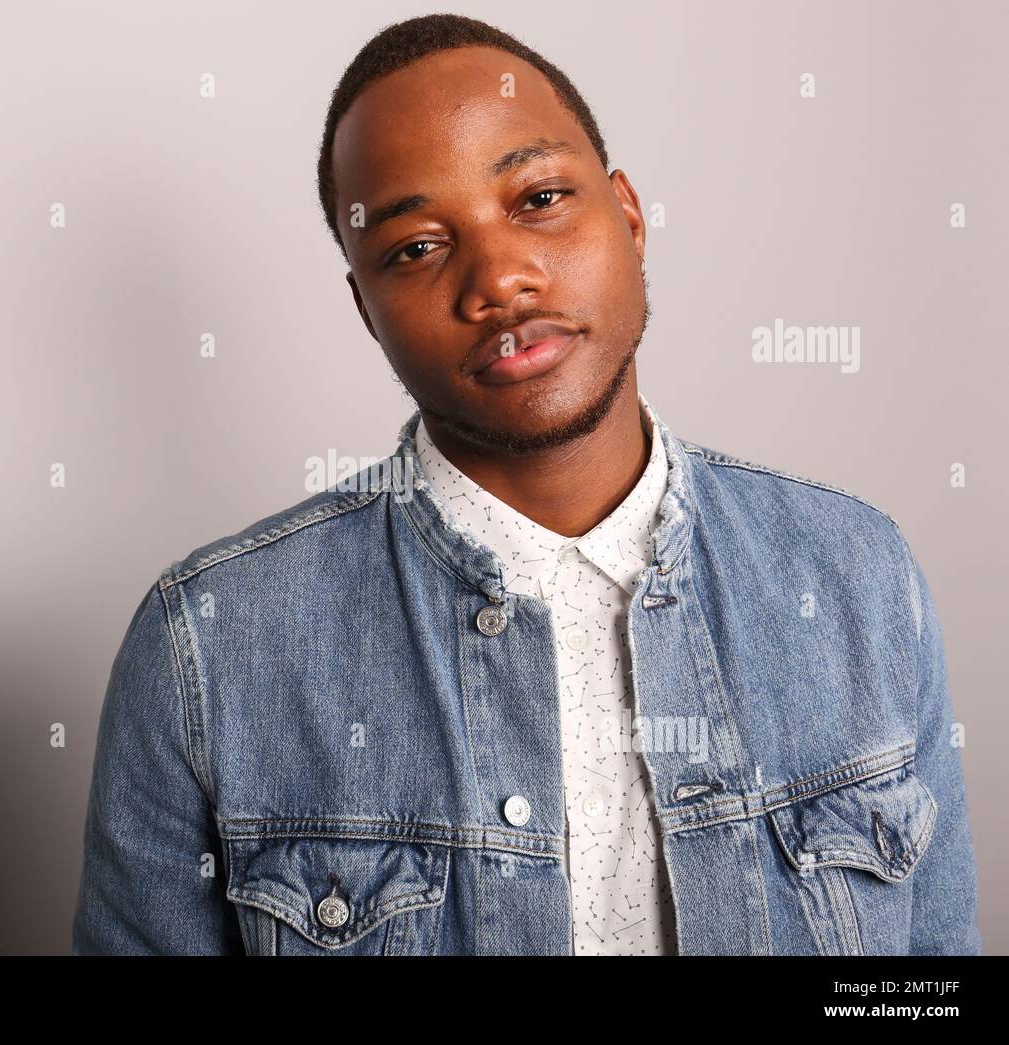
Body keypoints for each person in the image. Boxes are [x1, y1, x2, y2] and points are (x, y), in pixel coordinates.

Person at [71, 13, 980, 955]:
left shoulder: (856, 575)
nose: (499, 279)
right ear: (365, 307)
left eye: (539, 196)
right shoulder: (208, 646)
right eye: (418, 247)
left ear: (628, 217)